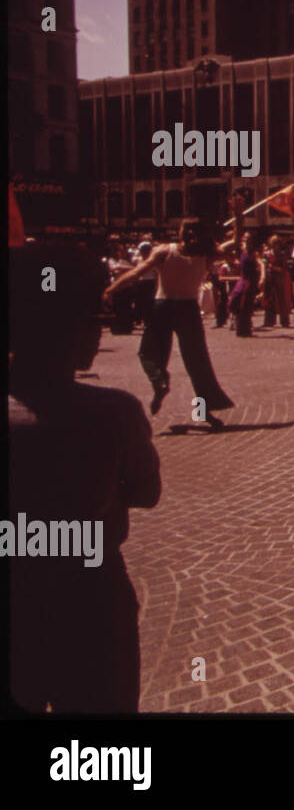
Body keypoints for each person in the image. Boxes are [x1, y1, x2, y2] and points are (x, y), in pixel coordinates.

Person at [9, 243, 162, 712]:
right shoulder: (114, 413)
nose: (99, 330)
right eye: (90, 318)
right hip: (91, 602)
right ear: (66, 332)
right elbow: (145, 492)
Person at [103, 213, 236, 427]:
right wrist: (238, 216)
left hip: (163, 306)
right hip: (187, 309)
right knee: (197, 364)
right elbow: (235, 243)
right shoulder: (206, 253)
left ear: (182, 232)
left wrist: (111, 289)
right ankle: (203, 412)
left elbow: (137, 273)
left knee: (149, 352)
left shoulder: (166, 251)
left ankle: (160, 381)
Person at [223, 211, 261, 338]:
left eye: (248, 238)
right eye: (245, 238)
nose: (246, 239)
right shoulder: (242, 250)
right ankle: (240, 327)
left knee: (246, 305)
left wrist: (260, 279)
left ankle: (245, 329)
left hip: (250, 280)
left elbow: (259, 264)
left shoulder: (253, 252)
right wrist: (238, 219)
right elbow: (236, 238)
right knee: (236, 302)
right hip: (242, 279)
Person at [261, 234, 293, 329]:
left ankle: (285, 320)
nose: (276, 245)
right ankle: (269, 321)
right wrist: (267, 266)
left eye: (278, 243)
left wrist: (273, 267)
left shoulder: (282, 254)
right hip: (269, 276)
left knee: (282, 298)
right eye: (274, 243)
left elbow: (283, 268)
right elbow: (264, 262)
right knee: (269, 298)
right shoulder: (267, 253)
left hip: (279, 277)